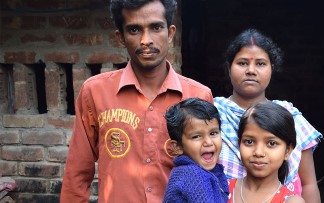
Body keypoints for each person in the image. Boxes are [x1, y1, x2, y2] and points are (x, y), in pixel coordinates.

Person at [60, 0, 213, 202]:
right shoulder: (95, 92)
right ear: (120, 37)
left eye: (156, 27)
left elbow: (209, 174)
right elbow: (77, 174)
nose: (145, 40)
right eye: (134, 30)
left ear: (170, 33)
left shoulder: (198, 96)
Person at [214, 28, 322, 202]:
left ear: (272, 68)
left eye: (260, 64)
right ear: (229, 67)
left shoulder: (292, 118)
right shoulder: (212, 115)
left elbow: (308, 184)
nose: (251, 70)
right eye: (242, 63)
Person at [228, 101, 304, 203]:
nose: (258, 152)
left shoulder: (291, 201)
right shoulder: (221, 190)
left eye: (271, 143)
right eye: (249, 142)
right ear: (239, 144)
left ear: (287, 151)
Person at [163, 98, 229, 202]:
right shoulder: (194, 175)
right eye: (196, 136)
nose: (208, 142)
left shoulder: (205, 172)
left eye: (213, 133)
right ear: (177, 147)